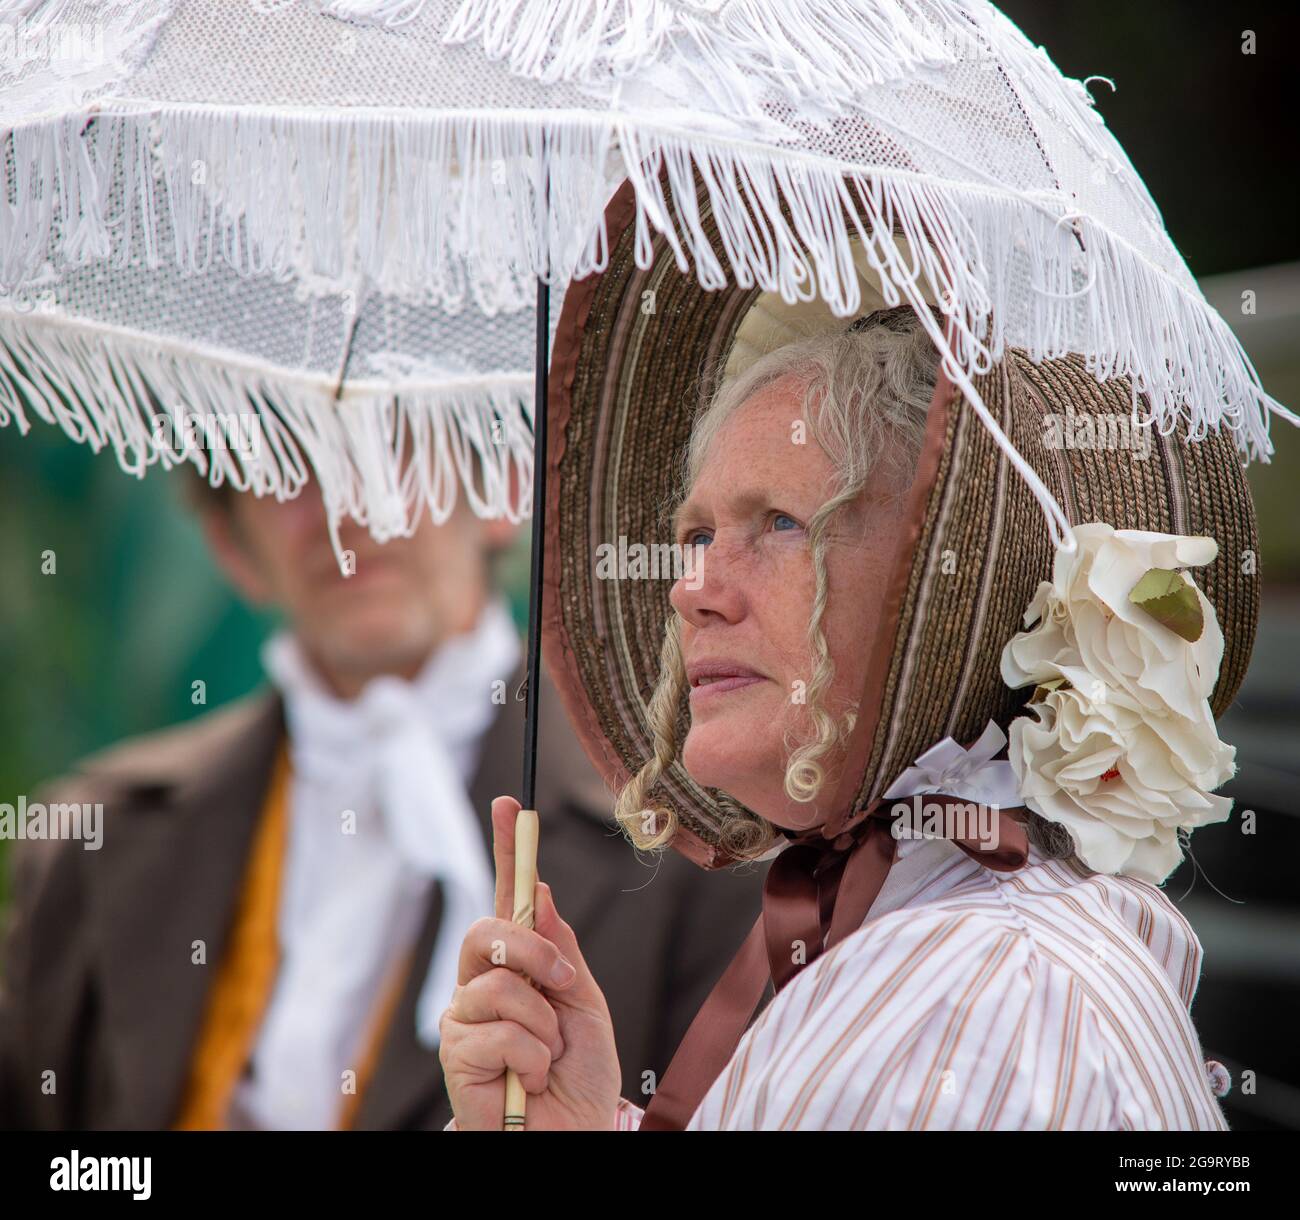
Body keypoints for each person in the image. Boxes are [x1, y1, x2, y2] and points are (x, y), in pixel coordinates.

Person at [438, 305, 1238, 1131]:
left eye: (779, 524)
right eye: (698, 535)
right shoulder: (938, 942)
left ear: (943, 589)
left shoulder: (980, 988)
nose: (691, 590)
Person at [0, 471, 764, 1130]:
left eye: (392, 440)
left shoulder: (693, 842)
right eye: (290, 464)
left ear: (502, 491)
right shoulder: (93, 836)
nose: (346, 509)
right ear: (231, 545)